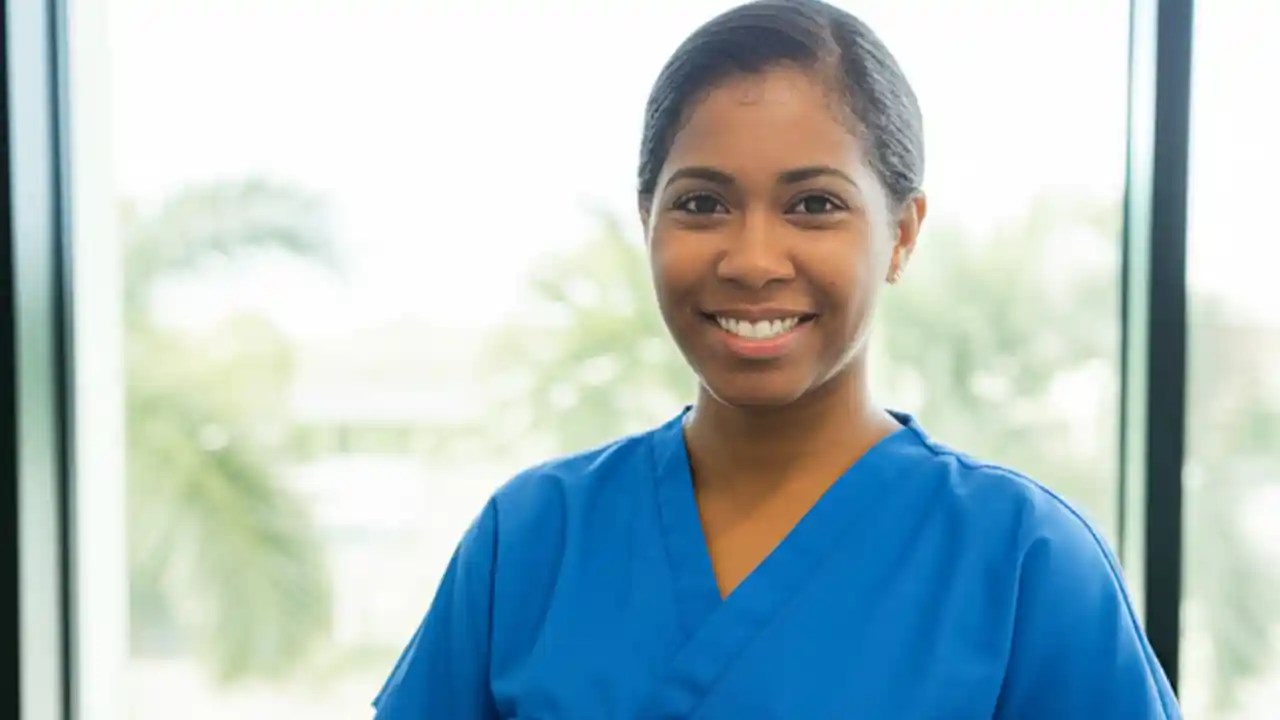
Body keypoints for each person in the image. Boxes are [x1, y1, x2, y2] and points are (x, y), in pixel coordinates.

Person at [373, 1, 1180, 717]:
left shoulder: (1024, 563)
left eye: (814, 205)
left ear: (901, 233)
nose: (754, 259)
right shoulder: (533, 539)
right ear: (647, 219)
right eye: (703, 204)